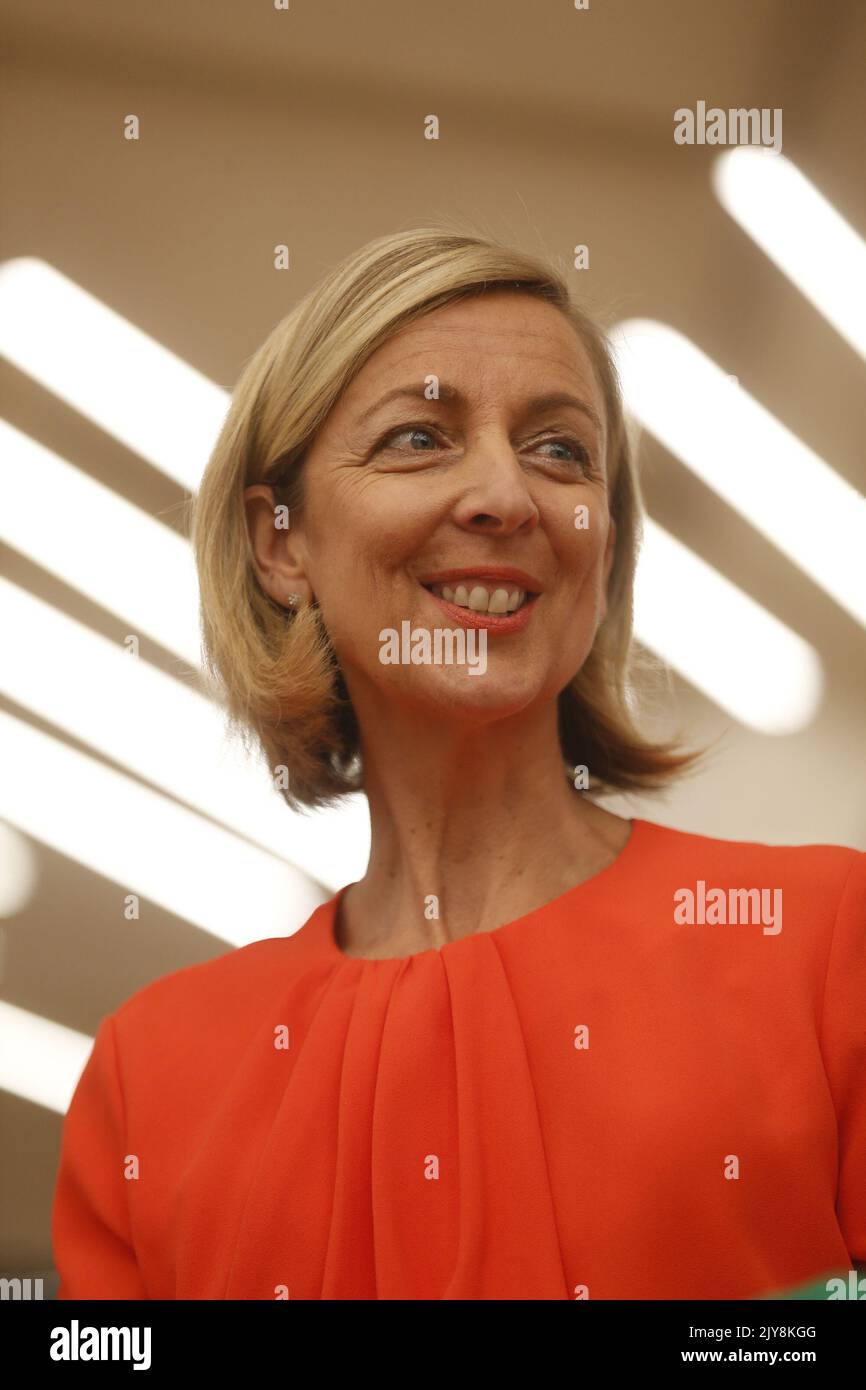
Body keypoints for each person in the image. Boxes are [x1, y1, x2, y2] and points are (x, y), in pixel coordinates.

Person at [52, 227, 865, 1299]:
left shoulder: (821, 946)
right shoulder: (148, 1076)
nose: (504, 495)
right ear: (281, 543)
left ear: (604, 544)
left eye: (560, 451)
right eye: (418, 439)